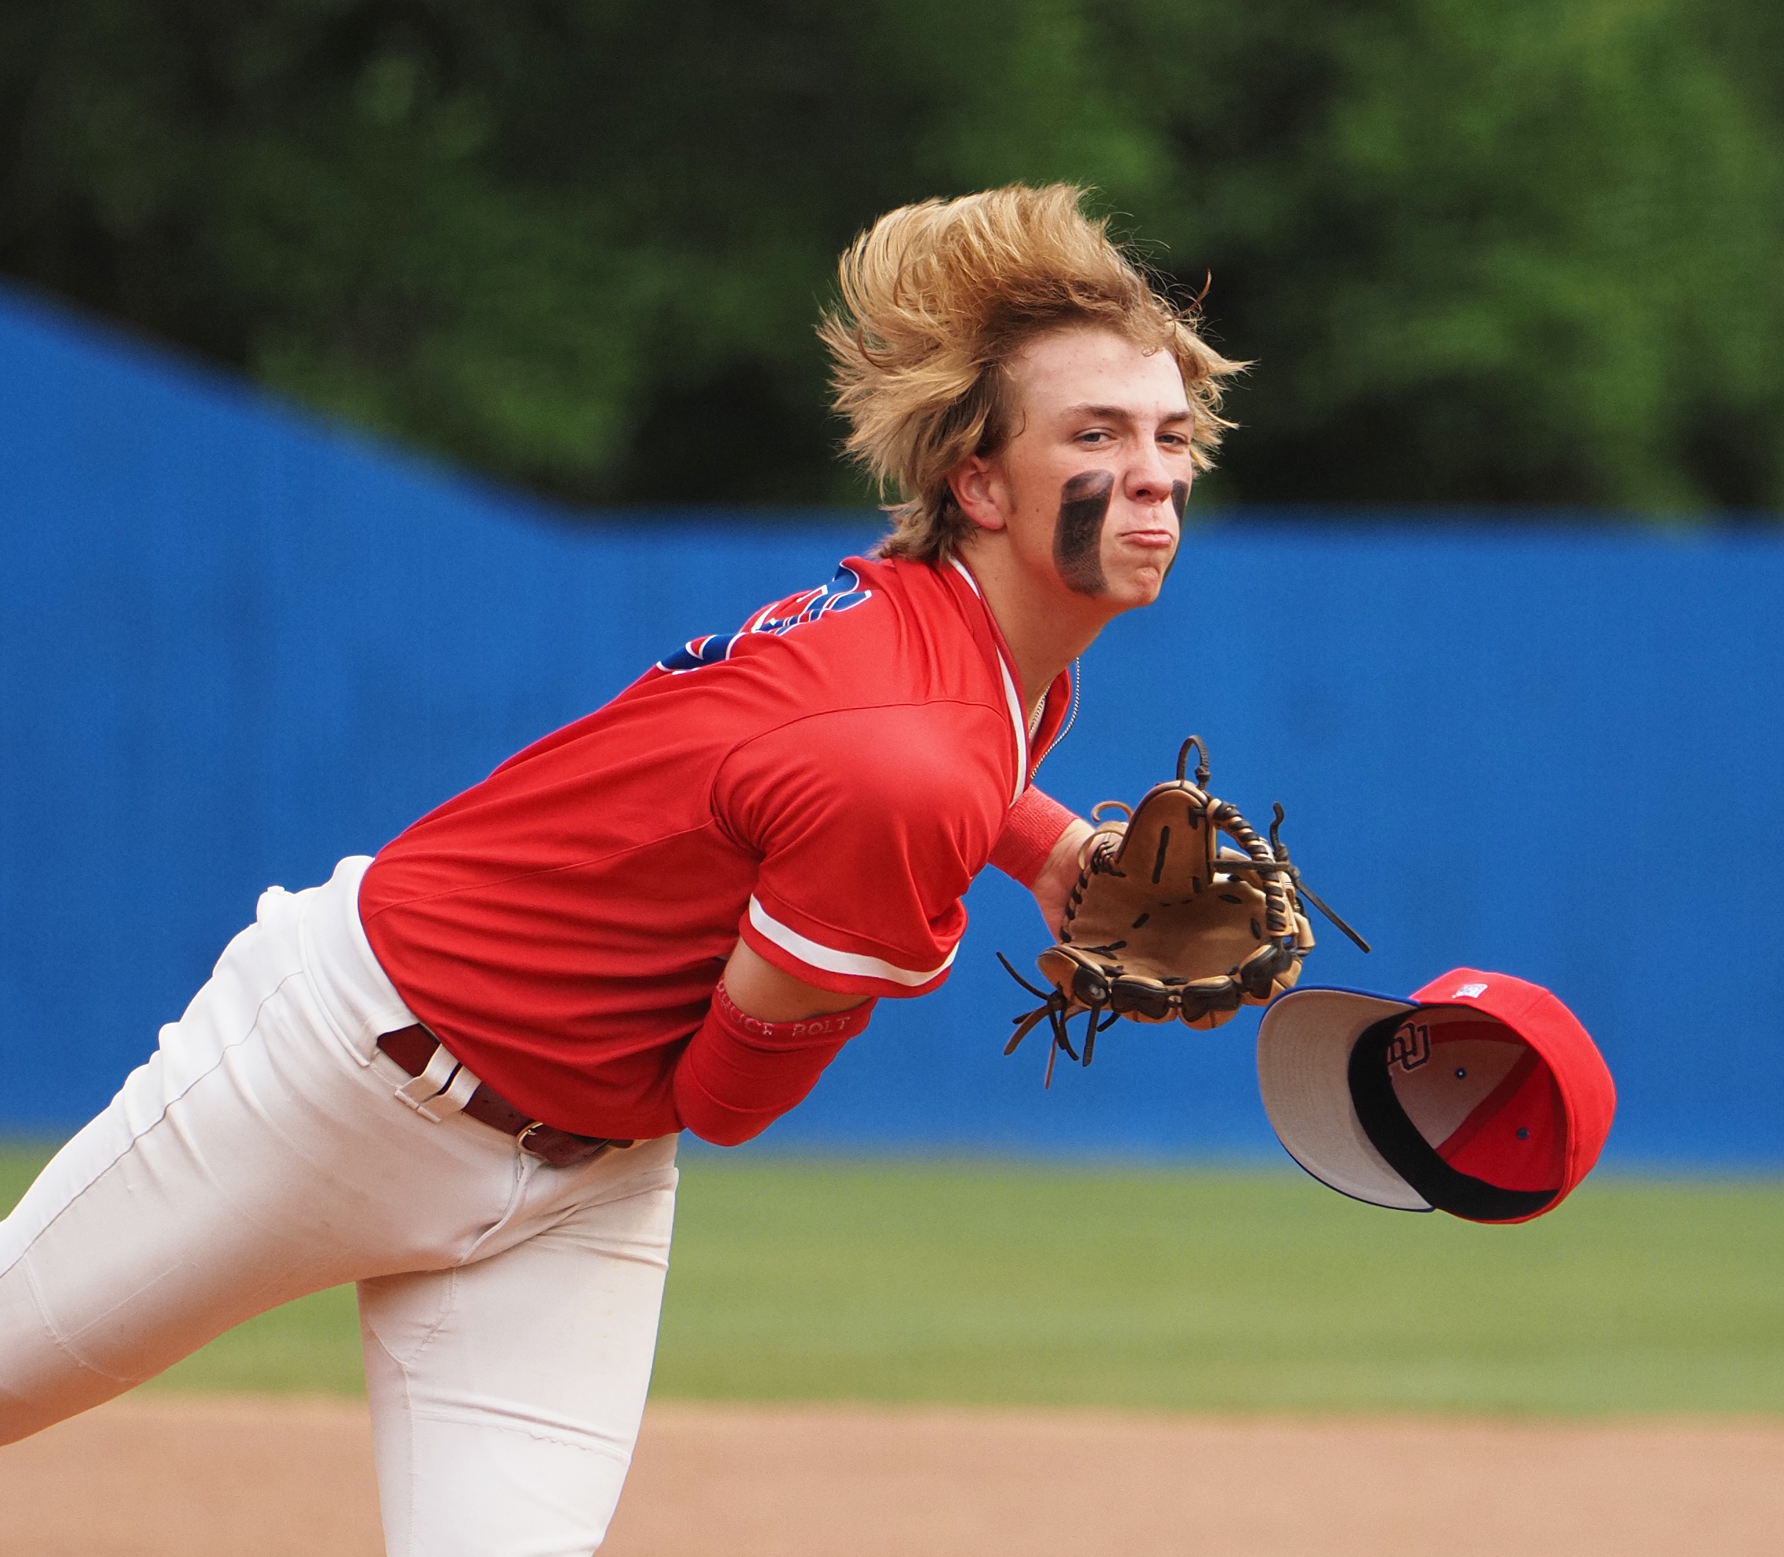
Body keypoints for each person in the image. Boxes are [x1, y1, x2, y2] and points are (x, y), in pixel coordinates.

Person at [0, 183, 1242, 1554]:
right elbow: (726, 1094)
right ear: (979, 482)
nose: (1155, 470)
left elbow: (884, 769)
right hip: (343, 1073)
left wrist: (1050, 845)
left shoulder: (938, 626)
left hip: (576, 1179)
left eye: (1173, 435)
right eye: (1098, 433)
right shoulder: (920, 756)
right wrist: (909, 924)